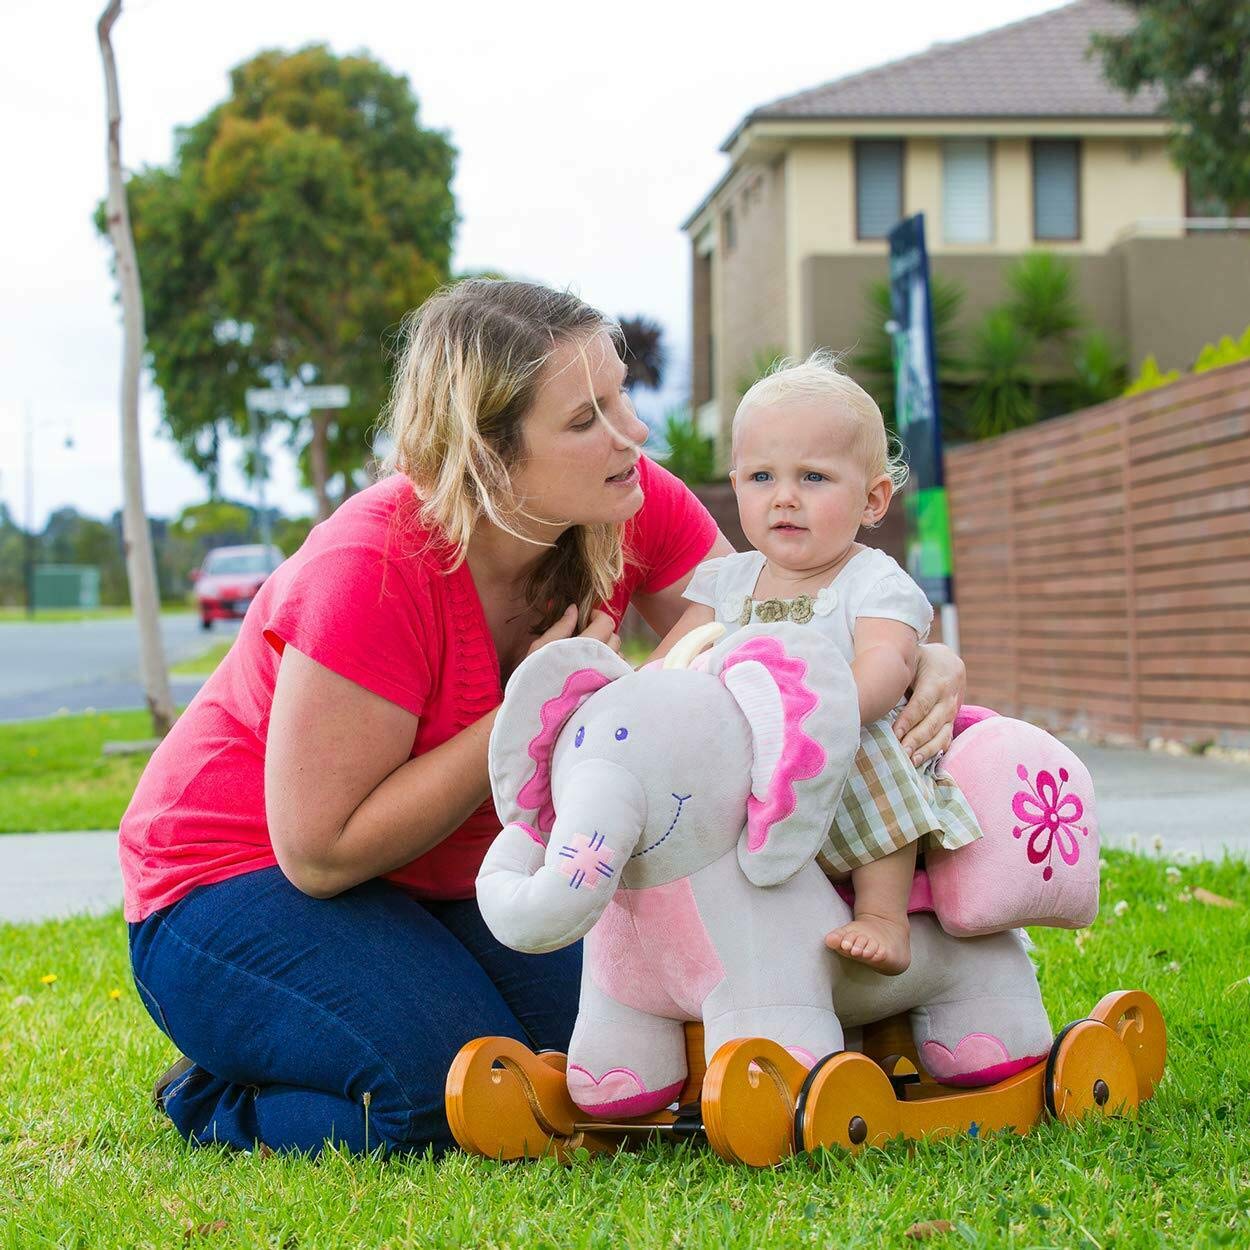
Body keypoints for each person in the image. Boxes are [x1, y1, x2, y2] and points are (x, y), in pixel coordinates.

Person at [121, 281, 967, 1158]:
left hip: (435, 888)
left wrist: (916, 653)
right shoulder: (370, 565)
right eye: (585, 418)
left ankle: (369, 1009)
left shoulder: (627, 500)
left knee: (611, 1079)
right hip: (230, 882)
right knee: (450, 1106)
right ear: (488, 453)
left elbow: (774, 630)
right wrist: (523, 708)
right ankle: (214, 1095)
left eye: (622, 395)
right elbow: (320, 853)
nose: (632, 433)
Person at [658, 351, 981, 977]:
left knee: (880, 753)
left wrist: (820, 726)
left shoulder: (872, 580)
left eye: (813, 478)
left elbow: (886, 666)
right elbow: (674, 662)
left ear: (873, 498)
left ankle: (883, 916)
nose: (784, 498)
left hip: (838, 751)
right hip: (743, 760)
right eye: (760, 478)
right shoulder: (728, 583)